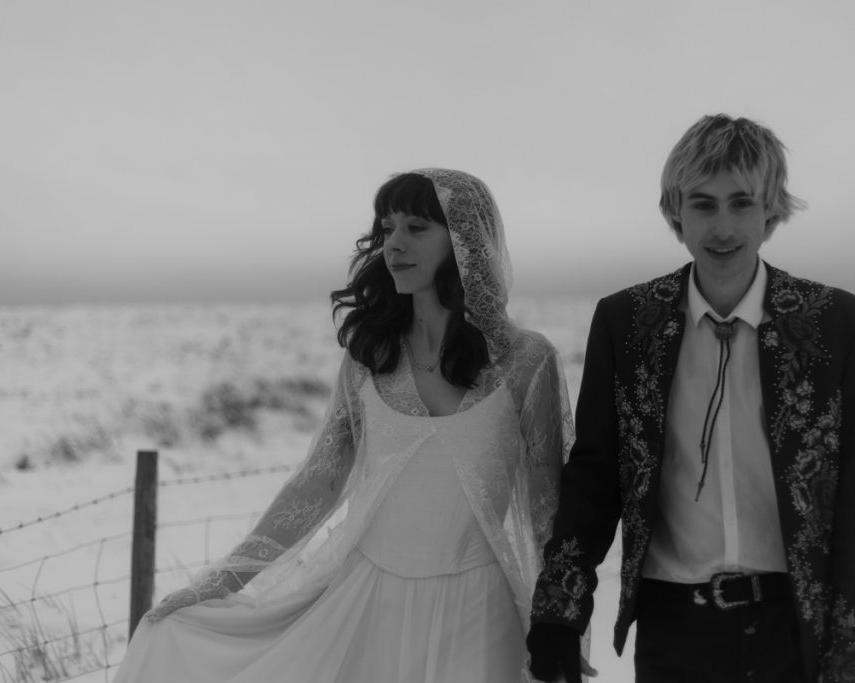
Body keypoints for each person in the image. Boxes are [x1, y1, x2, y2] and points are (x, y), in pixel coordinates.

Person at [114, 168, 574, 683]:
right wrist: (224, 580)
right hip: (364, 602)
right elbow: (318, 481)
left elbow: (548, 514)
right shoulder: (369, 358)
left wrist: (559, 623)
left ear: (466, 240)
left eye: (417, 228)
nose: (394, 244)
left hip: (479, 615)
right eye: (387, 228)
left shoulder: (527, 361)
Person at [527, 115, 855, 682]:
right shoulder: (627, 324)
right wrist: (558, 615)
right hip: (674, 630)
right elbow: (595, 478)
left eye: (741, 203)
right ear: (676, 214)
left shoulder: (839, 326)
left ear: (771, 210)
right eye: (703, 204)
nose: (722, 226)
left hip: (796, 632)